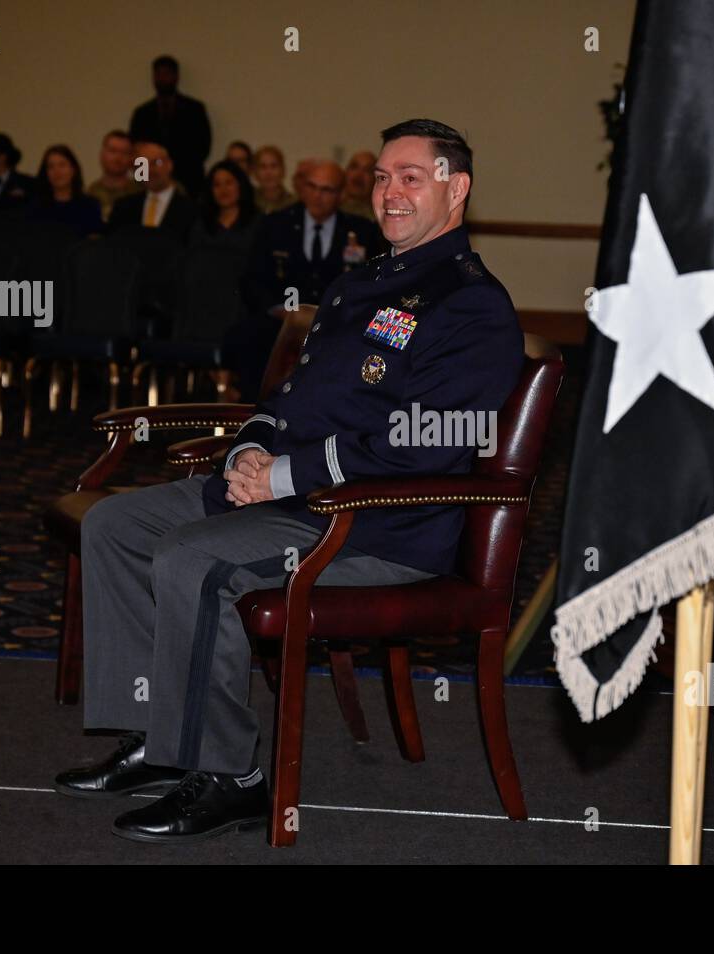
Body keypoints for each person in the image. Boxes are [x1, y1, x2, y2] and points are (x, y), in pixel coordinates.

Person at [53, 118, 524, 843]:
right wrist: (250, 448)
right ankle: (161, 737)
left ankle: (230, 778)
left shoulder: (473, 305)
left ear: (456, 189)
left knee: (191, 559)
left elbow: (422, 443)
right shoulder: (361, 281)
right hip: (289, 493)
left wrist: (282, 476)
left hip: (374, 522)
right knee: (114, 527)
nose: (389, 193)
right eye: (380, 176)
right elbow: (292, 398)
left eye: (411, 178)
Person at [244, 158, 382, 315]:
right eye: (312, 186)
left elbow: (371, 284)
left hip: (337, 325)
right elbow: (254, 279)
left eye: (326, 190)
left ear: (341, 194)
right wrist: (278, 311)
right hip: (280, 324)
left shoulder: (361, 231)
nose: (317, 196)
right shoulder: (275, 225)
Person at [129, 54, 211, 196]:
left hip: (188, 182)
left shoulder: (194, 109)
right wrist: (141, 180)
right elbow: (137, 150)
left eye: (166, 74)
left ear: (176, 76)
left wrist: (173, 170)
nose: (162, 78)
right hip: (149, 182)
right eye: (158, 74)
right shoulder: (142, 113)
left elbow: (203, 146)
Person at [108, 140, 197, 243]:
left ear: (169, 165)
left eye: (156, 162)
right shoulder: (123, 208)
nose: (149, 170)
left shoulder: (191, 211)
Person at [26, 145, 104, 238]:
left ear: (73, 170)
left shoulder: (90, 206)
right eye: (51, 167)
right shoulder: (36, 207)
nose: (57, 171)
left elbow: (94, 242)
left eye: (62, 165)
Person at [190, 158, 258, 252]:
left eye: (228, 183)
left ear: (240, 185)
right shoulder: (202, 224)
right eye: (217, 185)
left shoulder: (257, 223)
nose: (223, 190)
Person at [85, 129, 141, 222]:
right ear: (102, 155)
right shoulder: (91, 194)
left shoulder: (140, 193)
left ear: (131, 157)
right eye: (113, 151)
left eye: (124, 152)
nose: (118, 158)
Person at [251, 144, 293, 213]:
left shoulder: (293, 203)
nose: (268, 172)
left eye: (274, 166)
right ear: (255, 173)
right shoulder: (248, 202)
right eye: (263, 167)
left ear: (283, 171)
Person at [340, 149, 376, 220]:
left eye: (368, 170)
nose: (359, 175)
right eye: (354, 167)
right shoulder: (328, 209)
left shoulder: (378, 220)